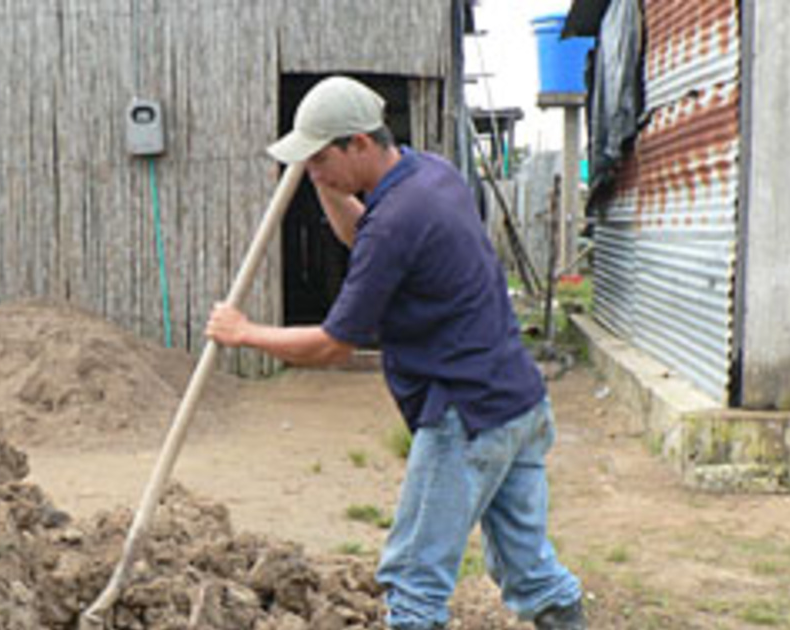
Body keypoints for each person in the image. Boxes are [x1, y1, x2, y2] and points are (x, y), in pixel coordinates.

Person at [205, 76, 586, 630]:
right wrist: (325, 184)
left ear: (358, 143)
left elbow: (335, 344)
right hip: (517, 403)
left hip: (466, 416)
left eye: (319, 159)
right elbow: (365, 235)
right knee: (529, 570)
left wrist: (245, 333)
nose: (311, 171)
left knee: (413, 585)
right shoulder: (430, 174)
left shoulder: (399, 219)